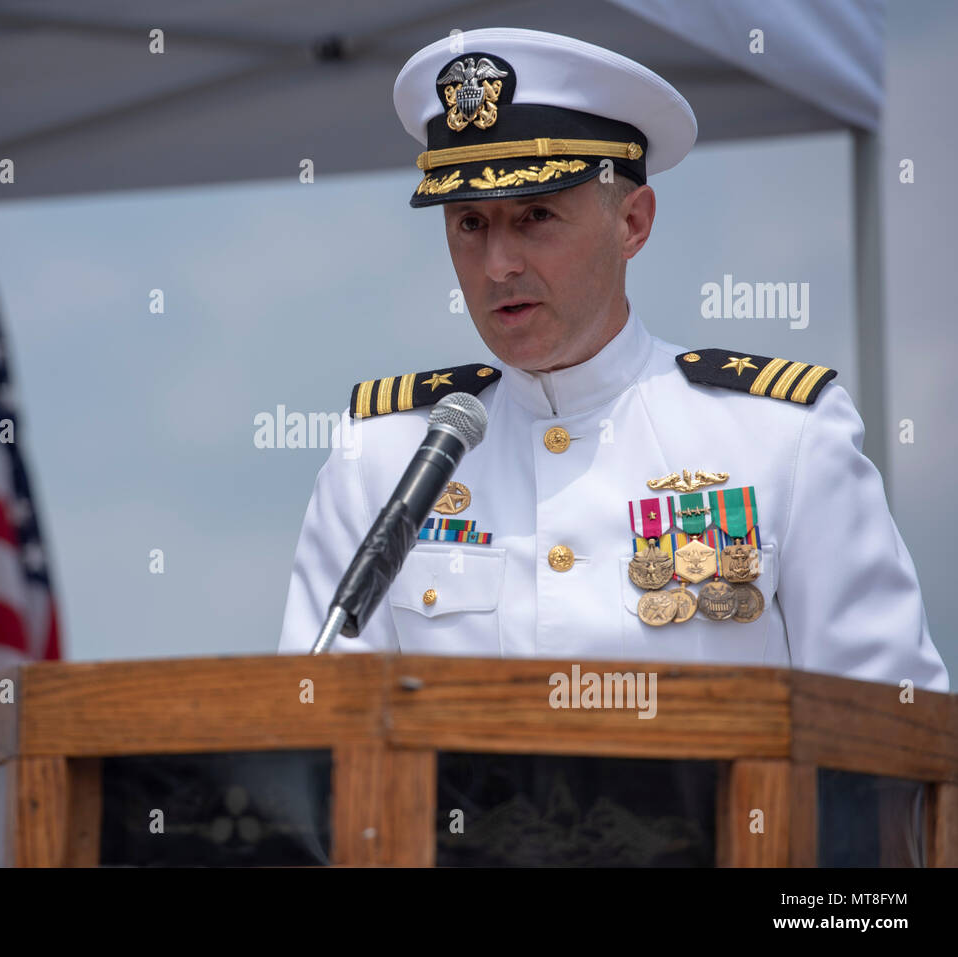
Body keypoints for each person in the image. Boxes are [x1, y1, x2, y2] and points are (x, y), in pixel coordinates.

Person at [276, 28, 949, 693]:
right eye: (470, 224)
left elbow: (895, 722)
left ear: (633, 223)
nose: (499, 264)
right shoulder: (384, 457)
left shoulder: (784, 438)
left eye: (536, 216)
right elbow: (313, 721)